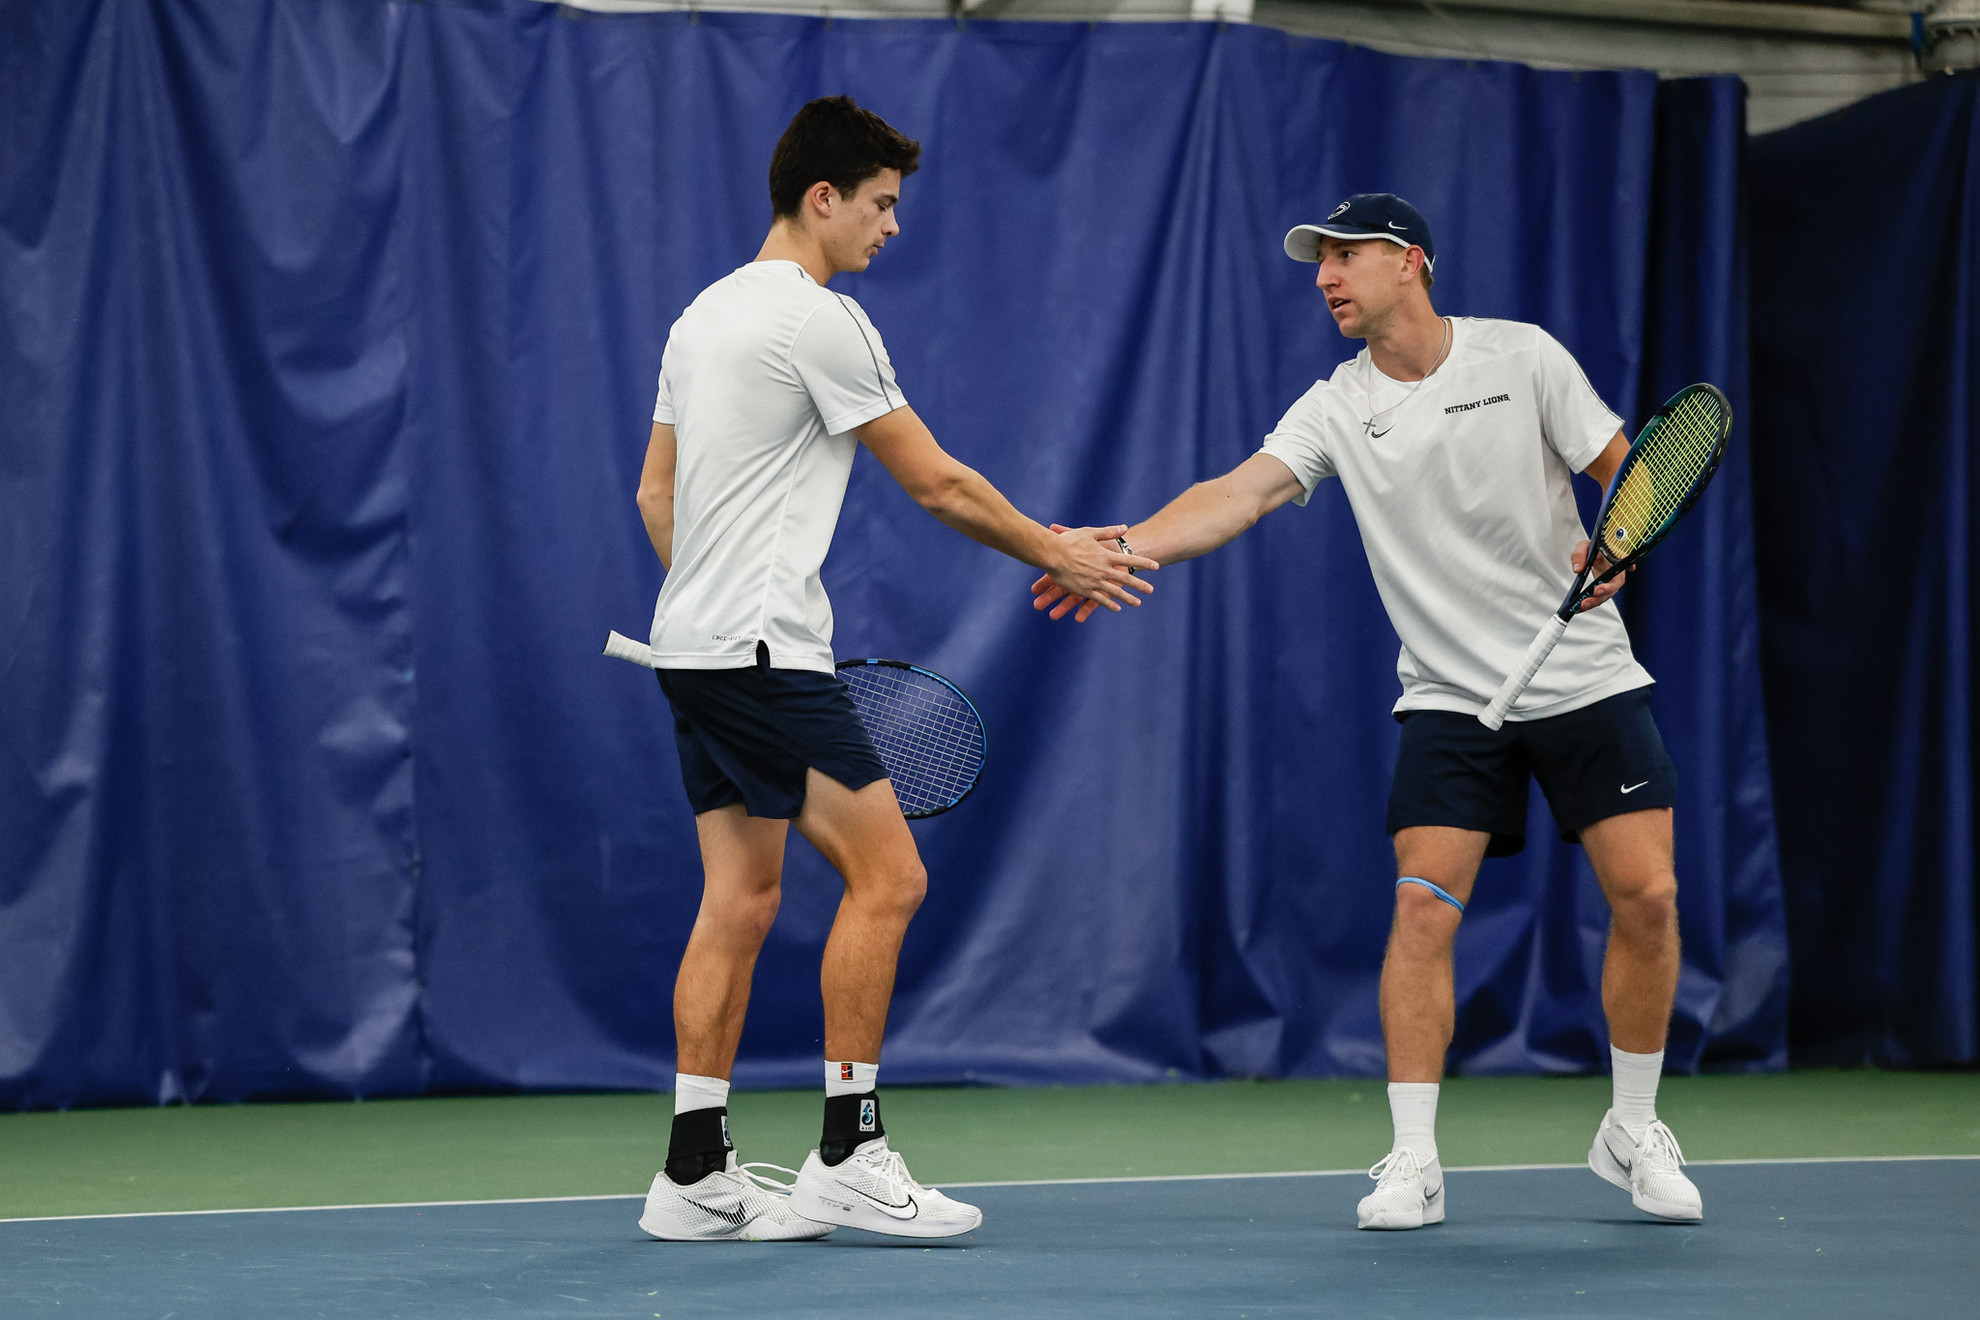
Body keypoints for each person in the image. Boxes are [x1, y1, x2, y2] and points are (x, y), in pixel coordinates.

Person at [1033, 193, 1704, 1231]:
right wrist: (1126, 547)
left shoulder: (1523, 359)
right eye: (1320, 261)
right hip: (1448, 695)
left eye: (1346, 257)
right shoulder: (1336, 405)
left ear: (1411, 264)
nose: (1326, 277)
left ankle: (1631, 1127)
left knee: (1649, 897)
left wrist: (1618, 546)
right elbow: (1237, 493)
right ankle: (1413, 1158)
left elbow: (1634, 476)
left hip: (1582, 677)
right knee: (1420, 910)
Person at [631, 96, 1155, 1243]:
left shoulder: (697, 320)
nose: (891, 228)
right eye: (880, 205)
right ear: (823, 199)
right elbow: (940, 484)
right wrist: (1057, 545)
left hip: (694, 651)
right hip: (767, 656)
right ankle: (848, 1151)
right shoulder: (824, 322)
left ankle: (691, 1171)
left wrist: (706, 606)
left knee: (742, 897)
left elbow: (655, 498)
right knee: (893, 879)